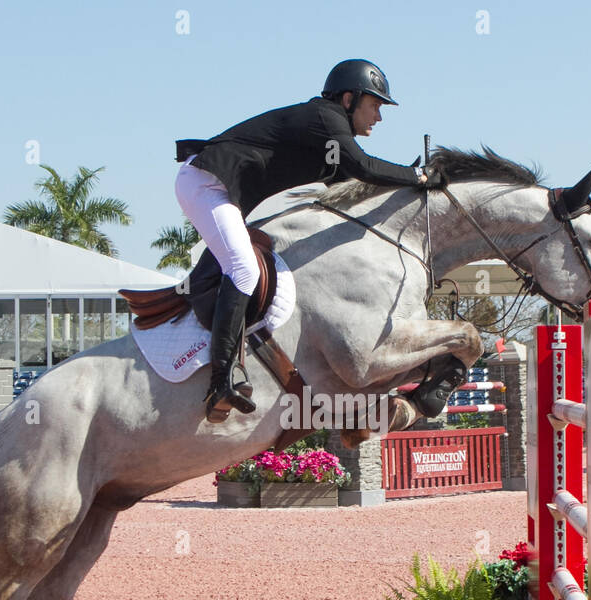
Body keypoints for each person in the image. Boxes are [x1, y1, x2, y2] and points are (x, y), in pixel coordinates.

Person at [175, 59, 445, 423]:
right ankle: (220, 381)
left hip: (220, 190)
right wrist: (417, 176)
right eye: (376, 105)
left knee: (242, 266)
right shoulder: (326, 119)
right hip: (205, 183)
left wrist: (406, 184)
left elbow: (355, 185)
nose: (378, 117)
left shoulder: (328, 138)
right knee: (242, 269)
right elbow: (364, 167)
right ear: (349, 99)